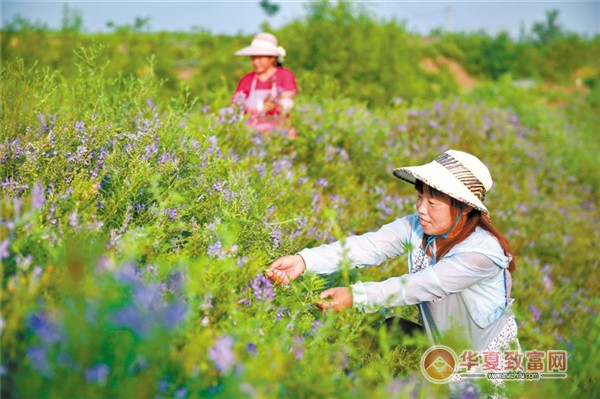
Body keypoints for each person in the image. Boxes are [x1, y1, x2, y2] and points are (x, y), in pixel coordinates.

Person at [267, 150, 519, 355]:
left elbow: (420, 286)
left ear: (464, 208)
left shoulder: (481, 255)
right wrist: (304, 260)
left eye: (432, 203)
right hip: (442, 347)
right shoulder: (419, 228)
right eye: (420, 198)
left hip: (481, 366)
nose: (421, 208)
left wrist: (356, 296)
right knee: (392, 330)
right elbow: (369, 246)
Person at [233, 32, 298, 137]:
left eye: (260, 58)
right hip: (251, 133)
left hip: (278, 132)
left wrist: (275, 108)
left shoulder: (285, 76)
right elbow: (235, 107)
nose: (255, 62)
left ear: (272, 58)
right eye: (253, 58)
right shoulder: (247, 80)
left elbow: (288, 104)